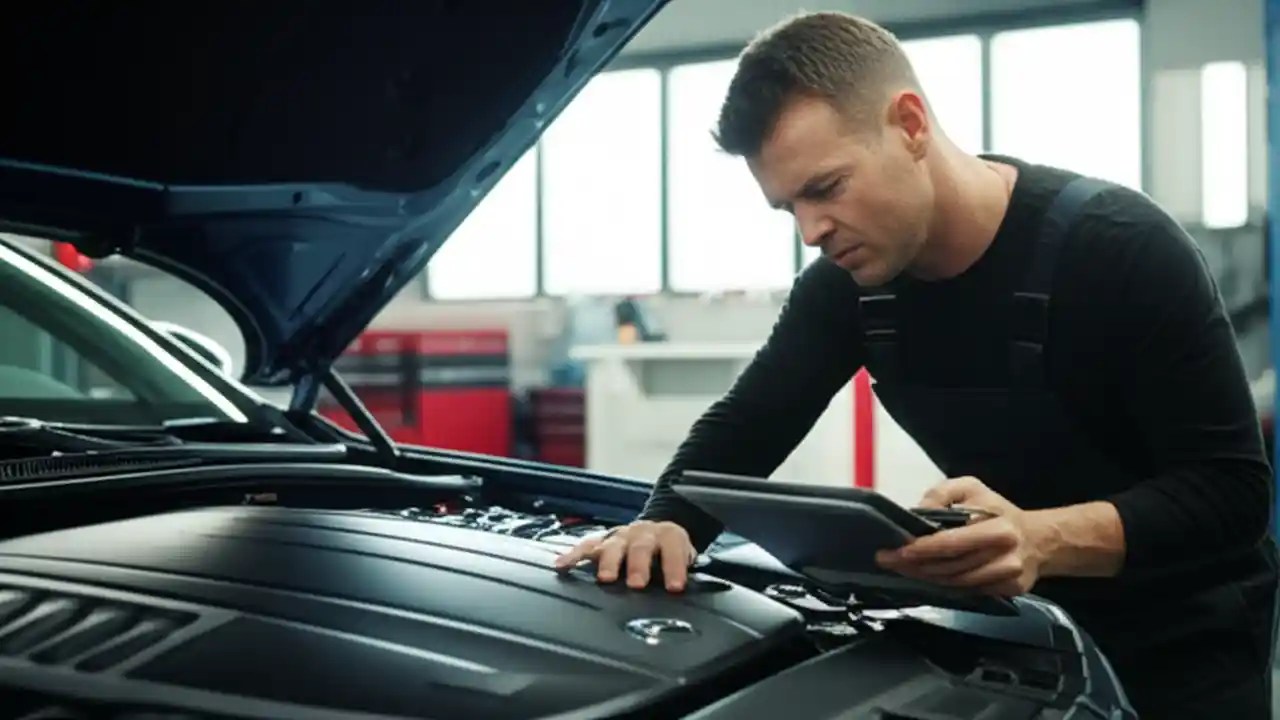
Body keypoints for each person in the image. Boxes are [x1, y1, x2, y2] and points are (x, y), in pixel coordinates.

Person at [554, 10, 1279, 719]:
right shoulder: (847, 288)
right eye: (788, 208)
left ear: (909, 124)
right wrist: (664, 523)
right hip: (1027, 631)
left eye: (825, 188)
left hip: (1185, 647)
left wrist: (1042, 537)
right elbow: (749, 422)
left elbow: (1233, 493)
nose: (811, 231)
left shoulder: (1121, 249)